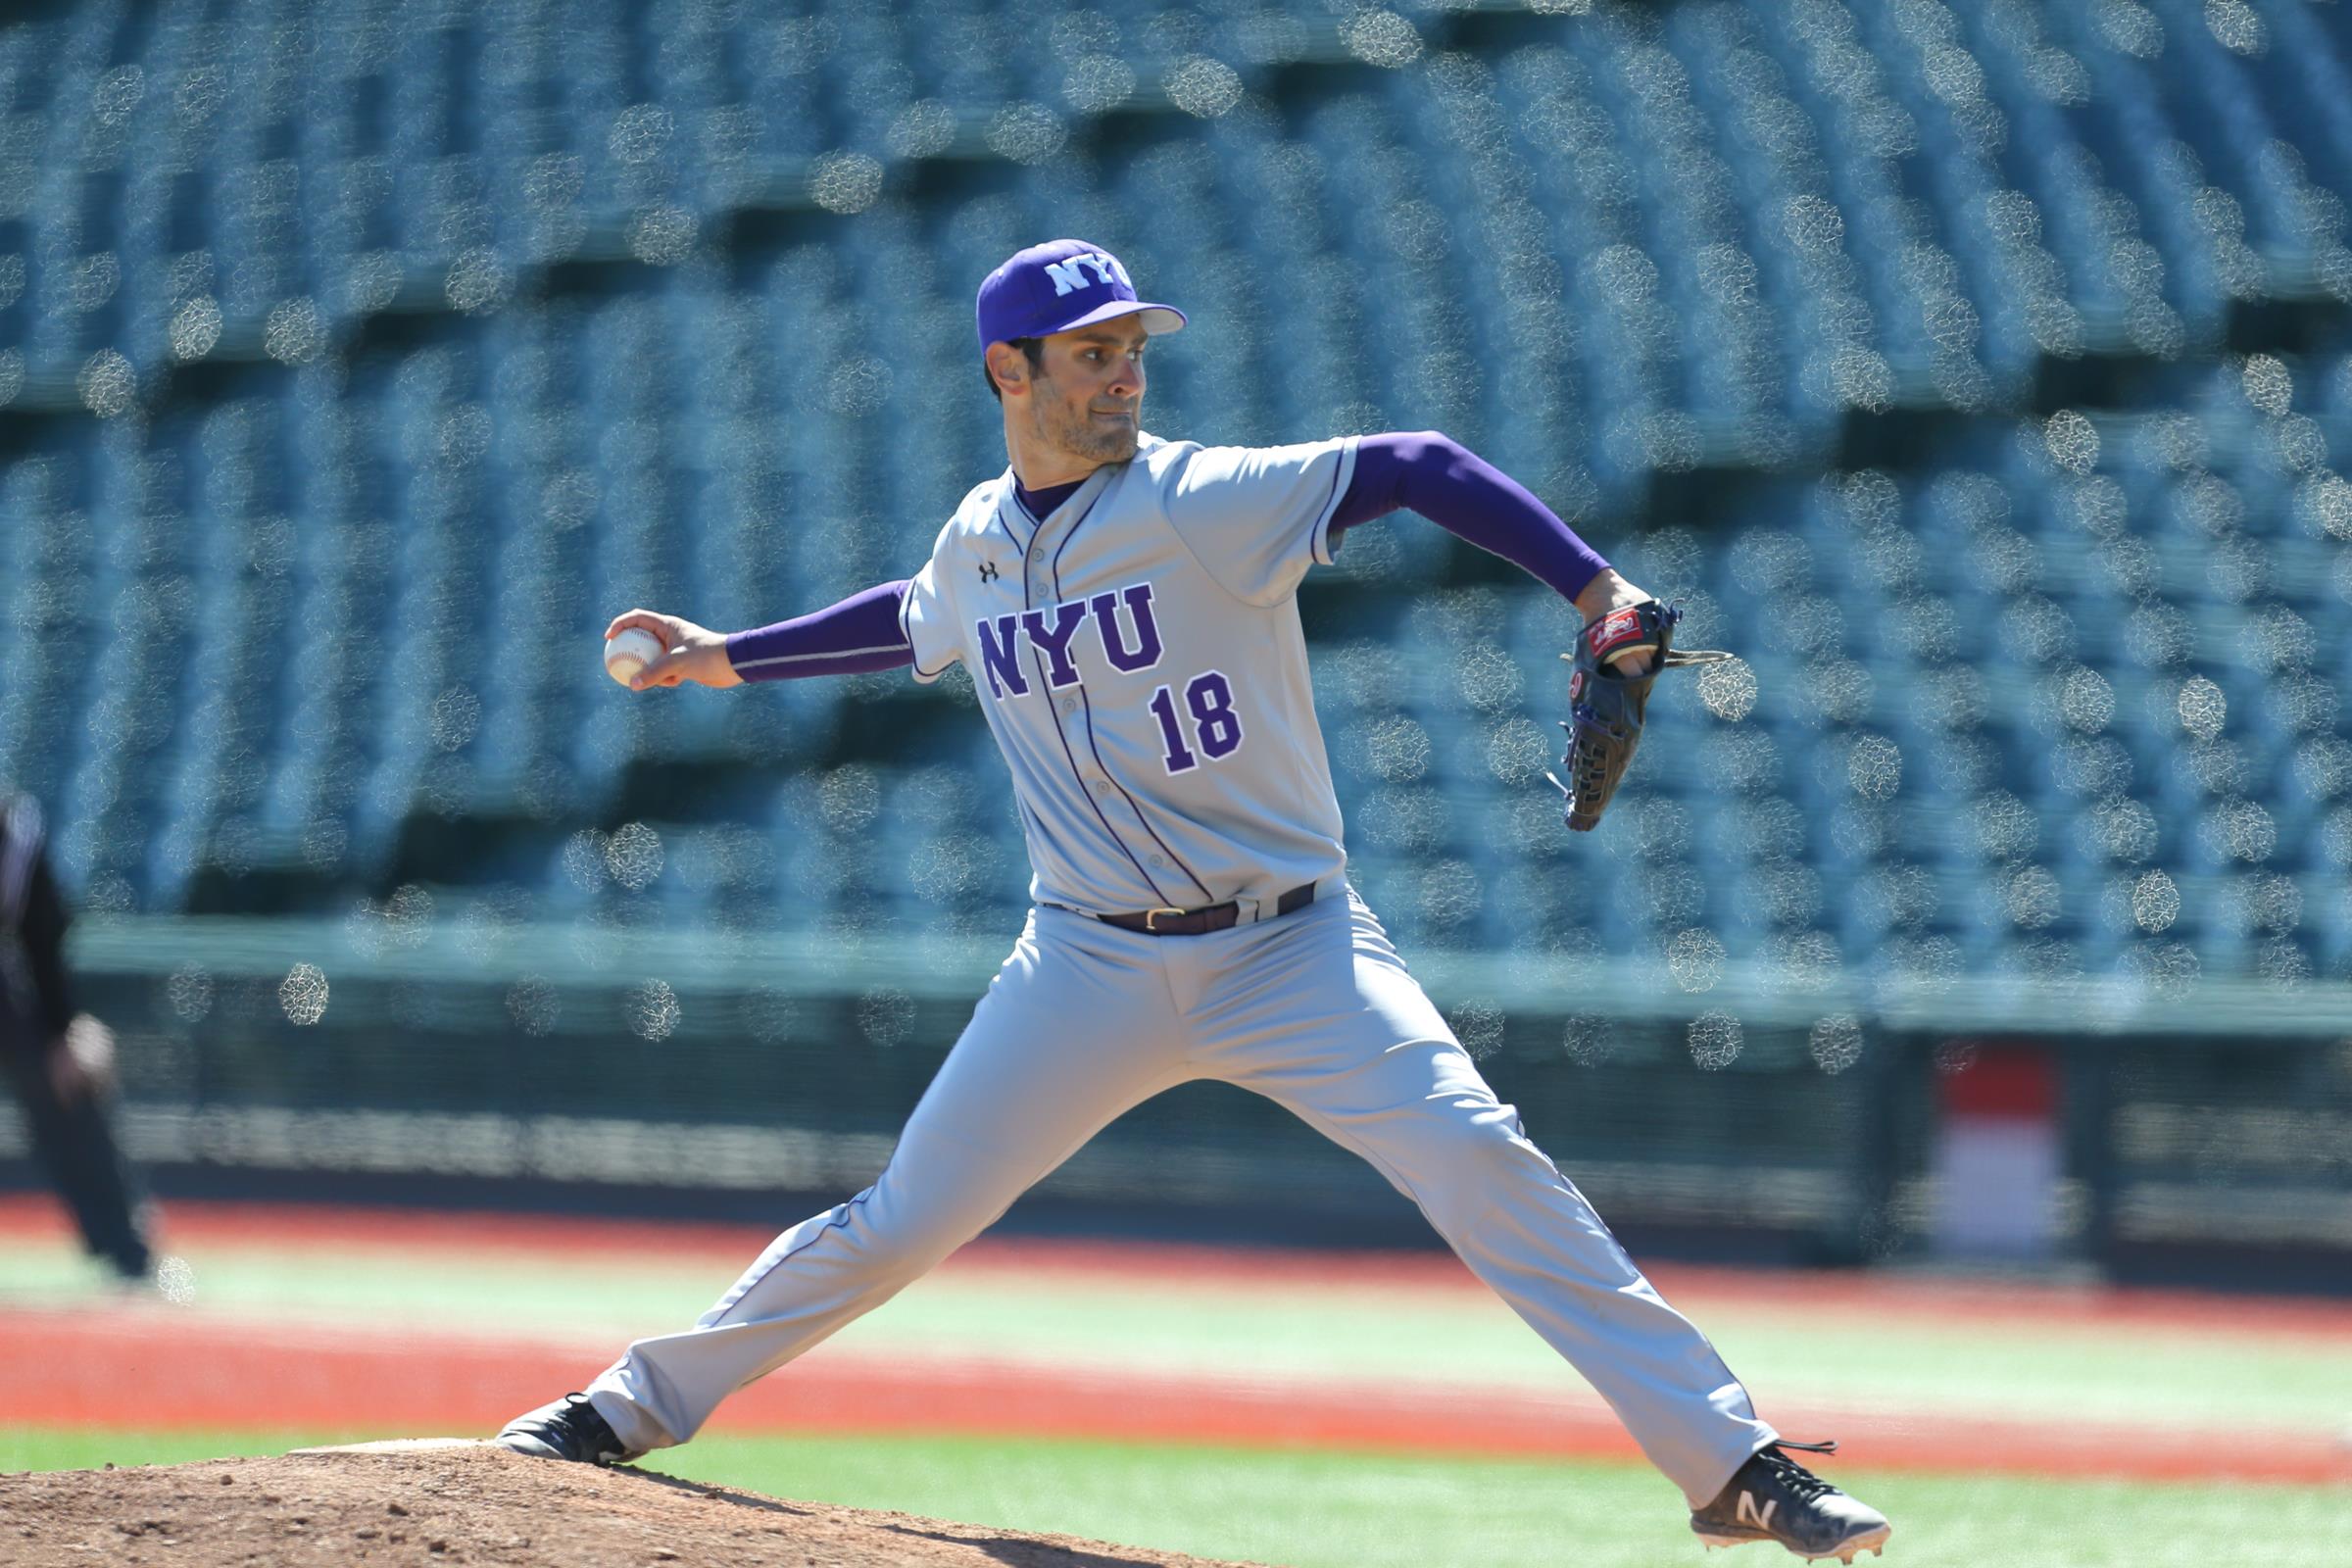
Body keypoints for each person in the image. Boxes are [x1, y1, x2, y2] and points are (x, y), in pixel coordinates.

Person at [496, 240, 1891, 1563]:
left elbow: (1414, 464)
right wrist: (725, 659)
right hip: (1085, 967)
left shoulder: (1202, 501)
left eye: (1132, 350)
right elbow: (917, 616)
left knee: (1484, 1162)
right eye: (1090, 353)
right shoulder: (980, 537)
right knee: (901, 1219)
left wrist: (1596, 589)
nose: (1123, 374)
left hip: (1295, 948)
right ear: (1009, 373)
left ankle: (1735, 1467)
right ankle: (623, 1407)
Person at [0, 792, 153, 1285]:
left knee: (69, 1079)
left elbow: (42, 938)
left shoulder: (14, 828)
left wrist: (64, 1028)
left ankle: (126, 1249)